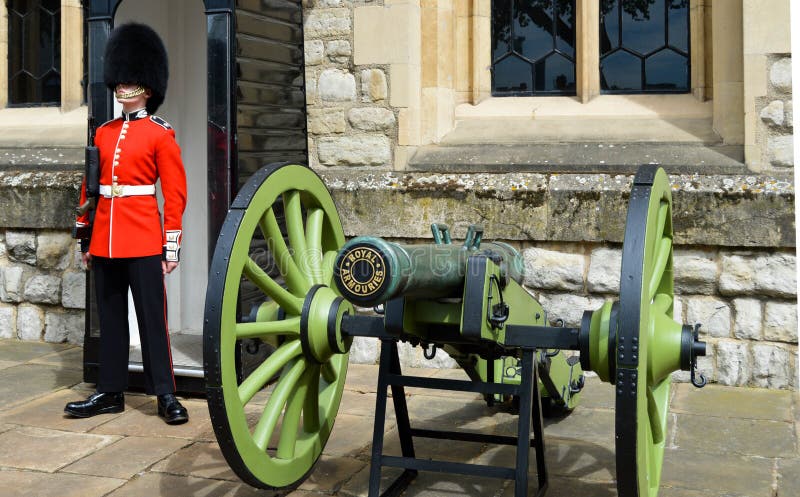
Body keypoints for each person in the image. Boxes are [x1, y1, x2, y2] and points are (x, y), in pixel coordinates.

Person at [65, 22, 188, 424]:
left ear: (147, 89)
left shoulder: (160, 135)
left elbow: (175, 194)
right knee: (111, 317)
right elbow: (90, 190)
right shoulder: (103, 133)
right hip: (105, 238)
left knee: (152, 319)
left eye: (130, 81)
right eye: (119, 81)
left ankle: (165, 394)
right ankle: (110, 390)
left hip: (143, 238)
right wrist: (85, 239)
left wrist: (170, 246)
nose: (121, 88)